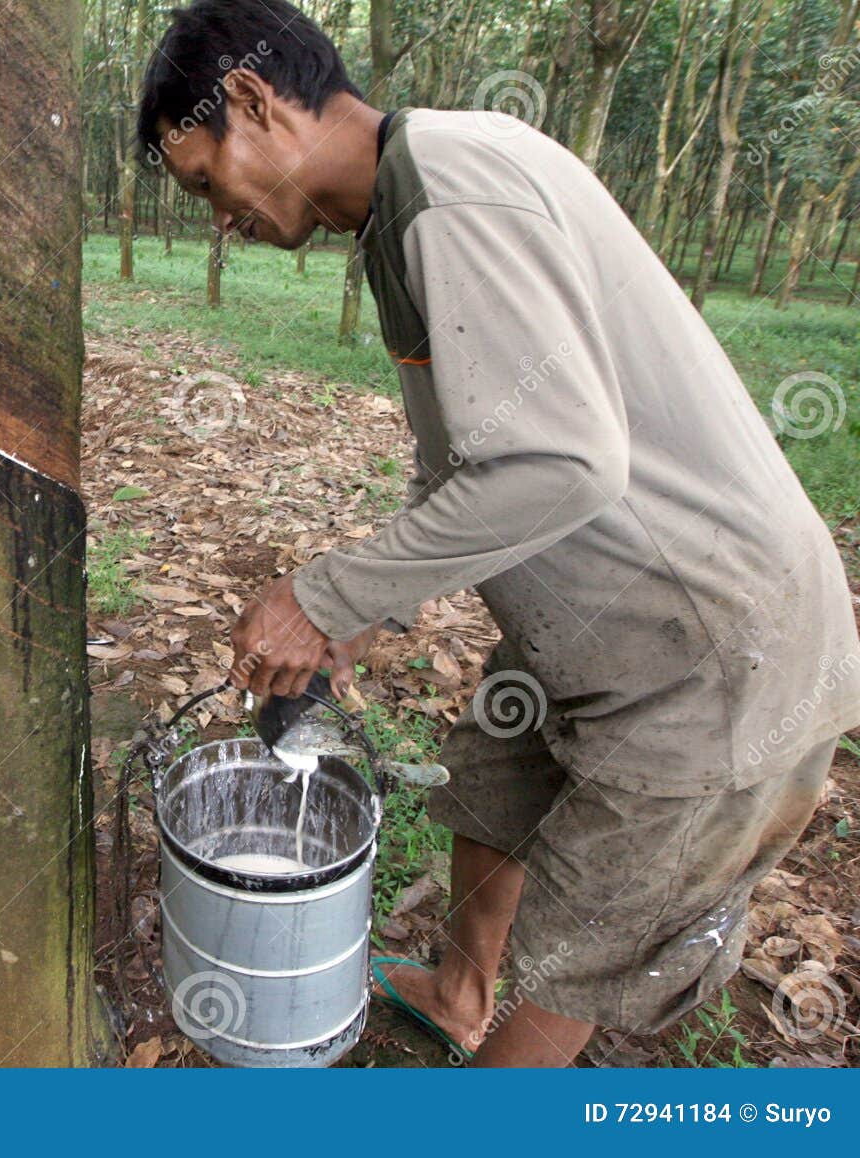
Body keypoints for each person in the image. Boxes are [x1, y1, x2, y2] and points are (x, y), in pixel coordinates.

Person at [138, 0, 860, 1066]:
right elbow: (482, 463)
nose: (219, 218)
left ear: (250, 100)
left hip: (711, 642)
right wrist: (366, 614)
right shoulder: (403, 206)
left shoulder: (454, 186)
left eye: (207, 181)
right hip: (601, 612)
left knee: (589, 942)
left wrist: (326, 596)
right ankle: (458, 988)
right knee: (498, 770)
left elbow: (563, 462)